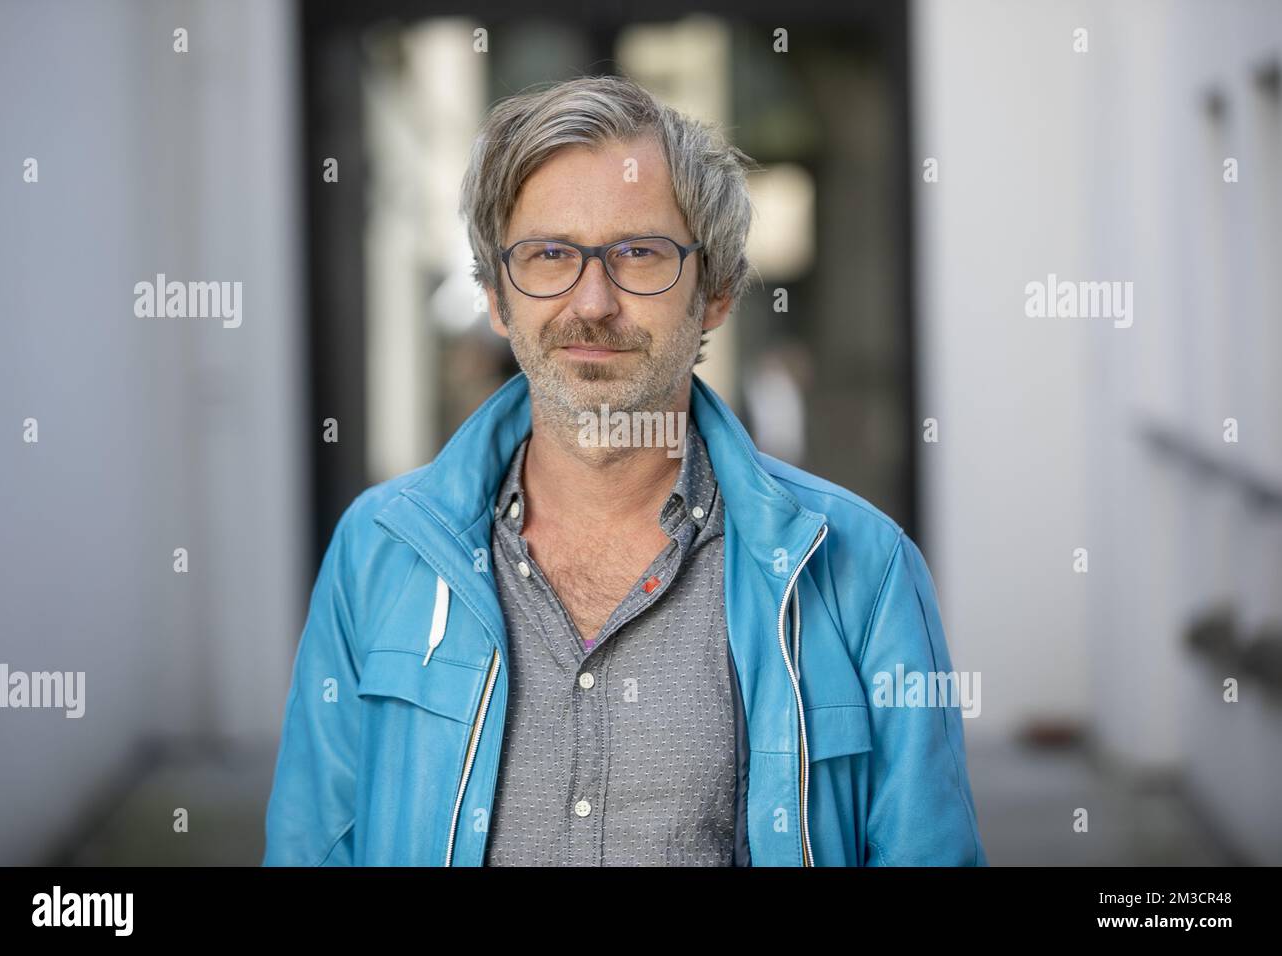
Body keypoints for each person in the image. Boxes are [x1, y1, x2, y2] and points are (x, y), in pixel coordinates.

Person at [263, 73, 986, 867]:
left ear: (715, 292)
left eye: (638, 253)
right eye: (548, 255)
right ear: (498, 298)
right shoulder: (378, 551)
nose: (593, 301)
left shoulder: (862, 570)